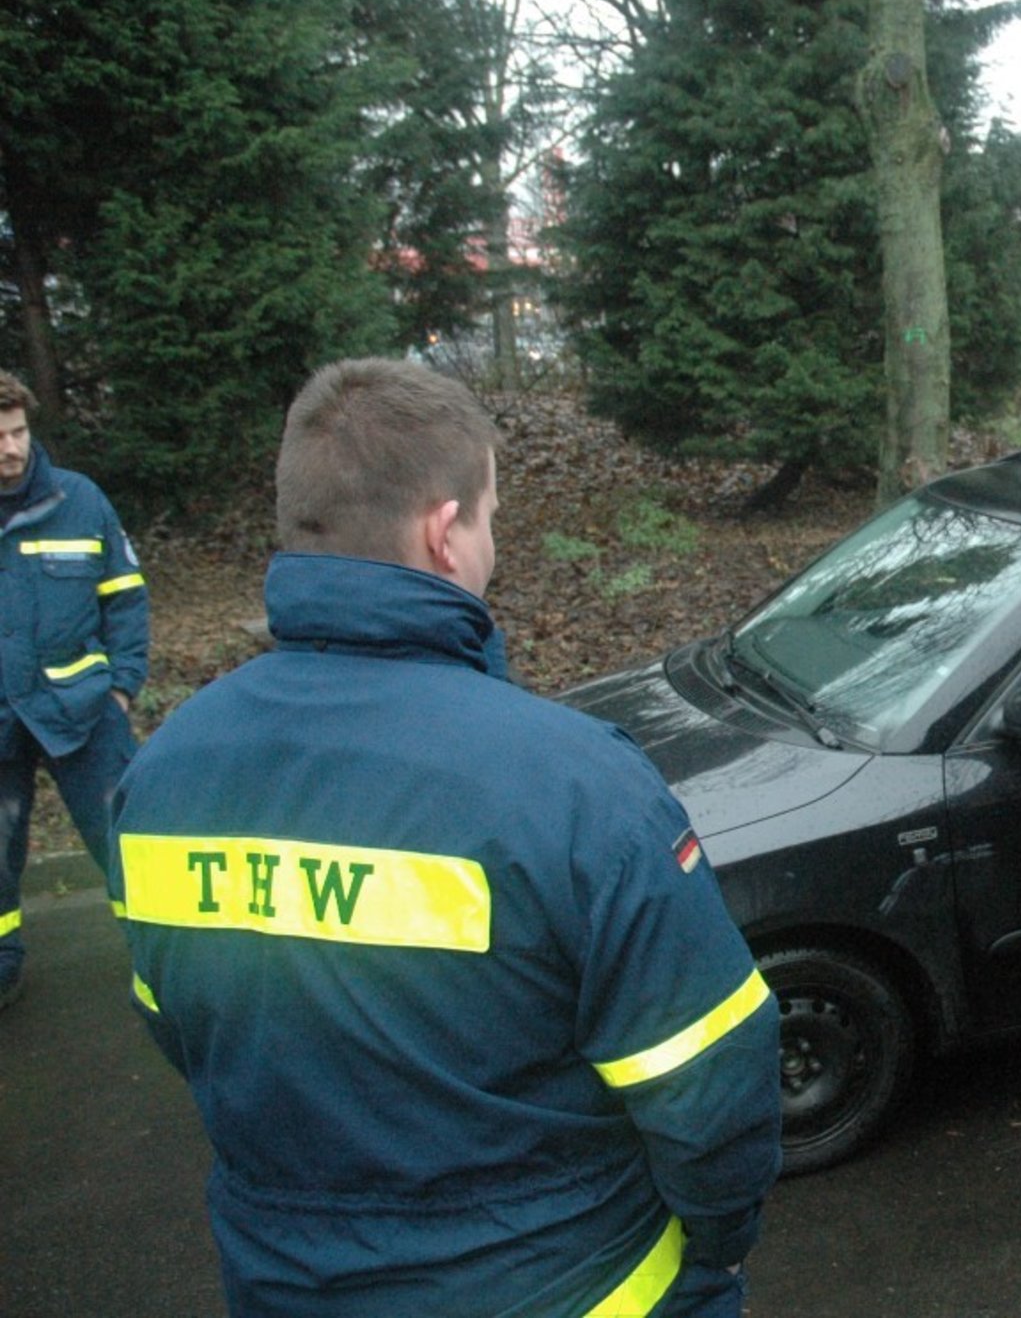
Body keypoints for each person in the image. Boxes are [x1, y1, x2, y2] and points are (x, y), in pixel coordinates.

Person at [109, 360, 780, 1317]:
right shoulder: (577, 786)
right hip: (577, 1286)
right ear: (443, 530)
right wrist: (715, 1248)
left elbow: (180, 1026)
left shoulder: (162, 775)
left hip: (284, 1285)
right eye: (491, 516)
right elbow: (708, 1085)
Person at [0, 369, 148, 1012]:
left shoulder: (80, 500)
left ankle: (160, 955)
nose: (9, 447)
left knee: (128, 839)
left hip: (84, 711)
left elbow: (125, 598)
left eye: (17, 431)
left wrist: (123, 687)